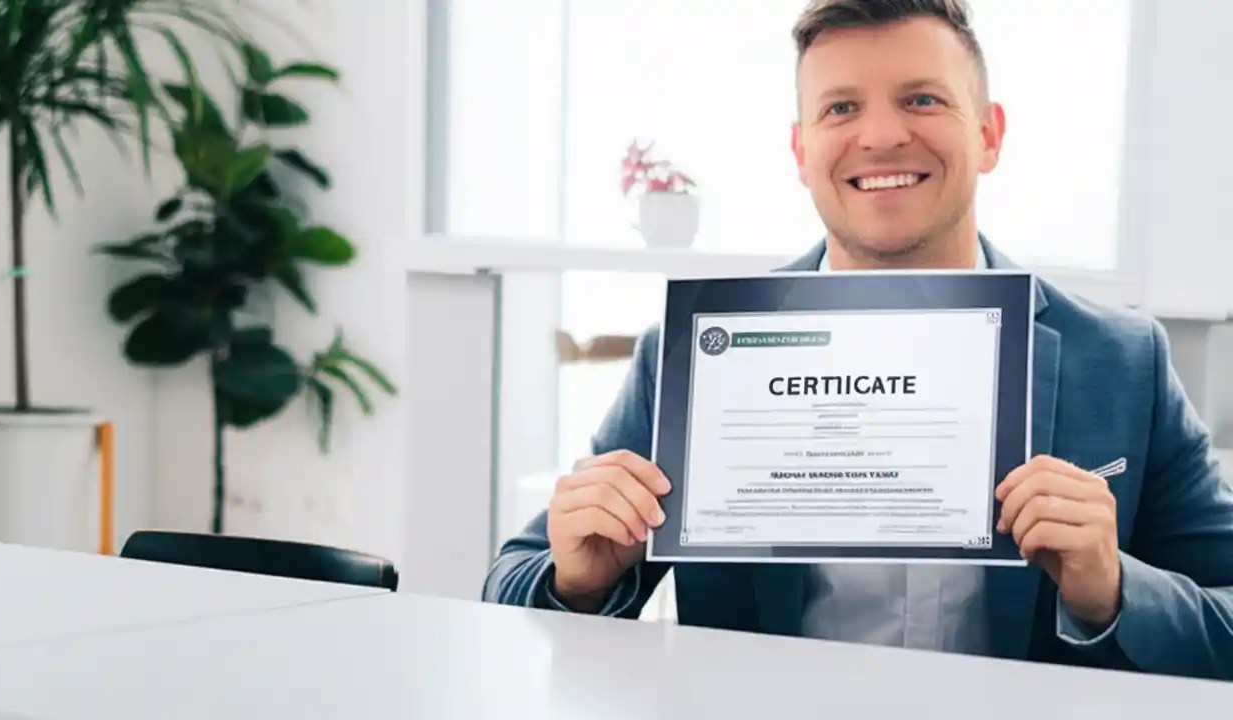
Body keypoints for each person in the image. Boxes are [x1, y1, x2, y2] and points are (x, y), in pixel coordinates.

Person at [481, 0, 1233, 680]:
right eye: (842, 108)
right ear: (802, 150)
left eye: (922, 99)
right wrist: (578, 579)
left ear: (988, 134)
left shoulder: (1125, 361)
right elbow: (509, 585)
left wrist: (1114, 590)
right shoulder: (694, 356)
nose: (880, 136)